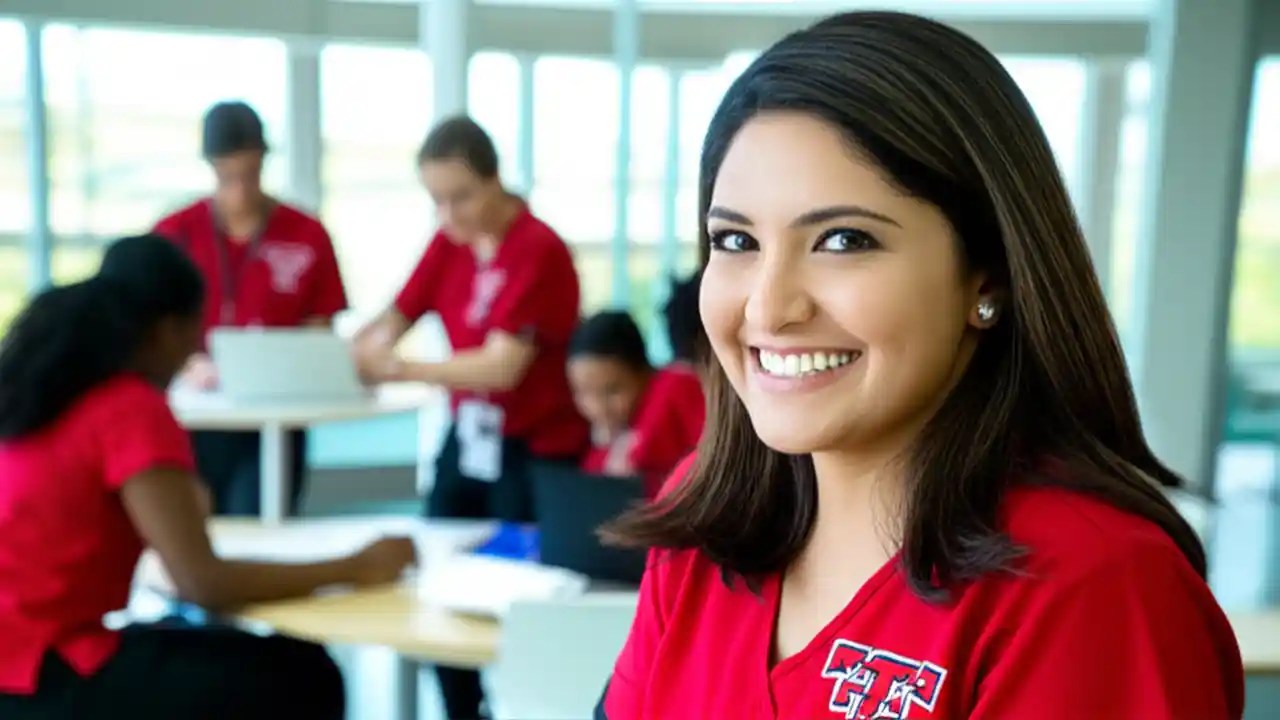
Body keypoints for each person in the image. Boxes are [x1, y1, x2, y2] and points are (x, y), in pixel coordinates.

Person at [596, 11, 1243, 720]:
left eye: (844, 240)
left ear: (987, 278)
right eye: (736, 239)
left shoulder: (1094, 586)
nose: (768, 306)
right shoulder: (708, 524)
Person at [0, 235, 415, 719]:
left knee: (200, 645)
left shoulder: (38, 395)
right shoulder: (129, 408)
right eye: (195, 329)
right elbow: (202, 582)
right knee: (305, 676)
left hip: (18, 656)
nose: (196, 350)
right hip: (43, 674)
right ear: (166, 330)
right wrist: (358, 565)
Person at [354, 115, 588, 720]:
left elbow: (501, 367)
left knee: (521, 592)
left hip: (535, 446)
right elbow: (394, 317)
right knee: (438, 567)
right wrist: (358, 348)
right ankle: (462, 709)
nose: (449, 214)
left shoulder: (539, 249)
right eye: (436, 200)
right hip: (470, 436)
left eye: (460, 197)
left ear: (495, 181)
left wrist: (401, 370)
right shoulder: (450, 243)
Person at [153, 100, 349, 517]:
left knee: (261, 525)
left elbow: (321, 327)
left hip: (276, 418)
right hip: (197, 418)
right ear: (210, 166)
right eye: (227, 177)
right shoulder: (176, 234)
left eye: (250, 174)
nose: (240, 190)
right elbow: (148, 324)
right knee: (195, 528)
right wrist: (189, 365)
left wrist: (283, 364)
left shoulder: (306, 234)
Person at [569, 275, 706, 496]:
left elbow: (712, 459)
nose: (598, 407)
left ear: (643, 372)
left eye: (612, 391)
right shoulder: (607, 436)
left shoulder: (676, 387)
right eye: (583, 393)